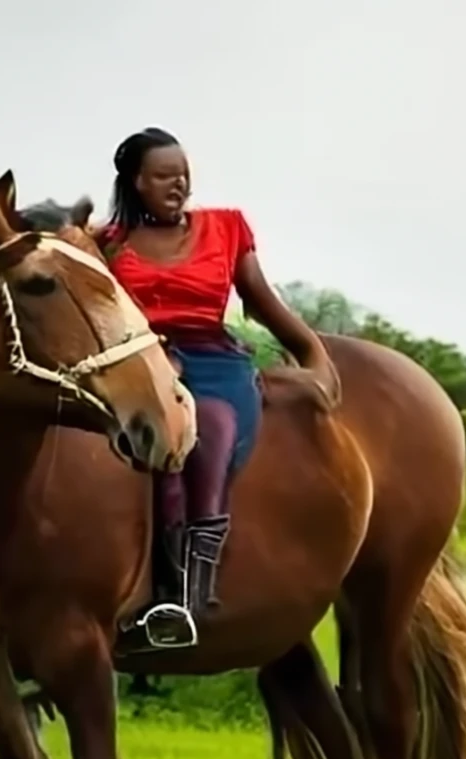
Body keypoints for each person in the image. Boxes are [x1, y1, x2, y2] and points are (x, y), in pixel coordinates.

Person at [95, 127, 340, 652]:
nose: (178, 184)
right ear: (136, 182)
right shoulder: (106, 243)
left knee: (211, 429)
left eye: (183, 174)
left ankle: (185, 596)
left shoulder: (226, 228)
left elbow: (262, 300)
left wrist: (313, 355)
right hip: (145, 363)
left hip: (214, 361)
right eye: (164, 176)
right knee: (158, 433)